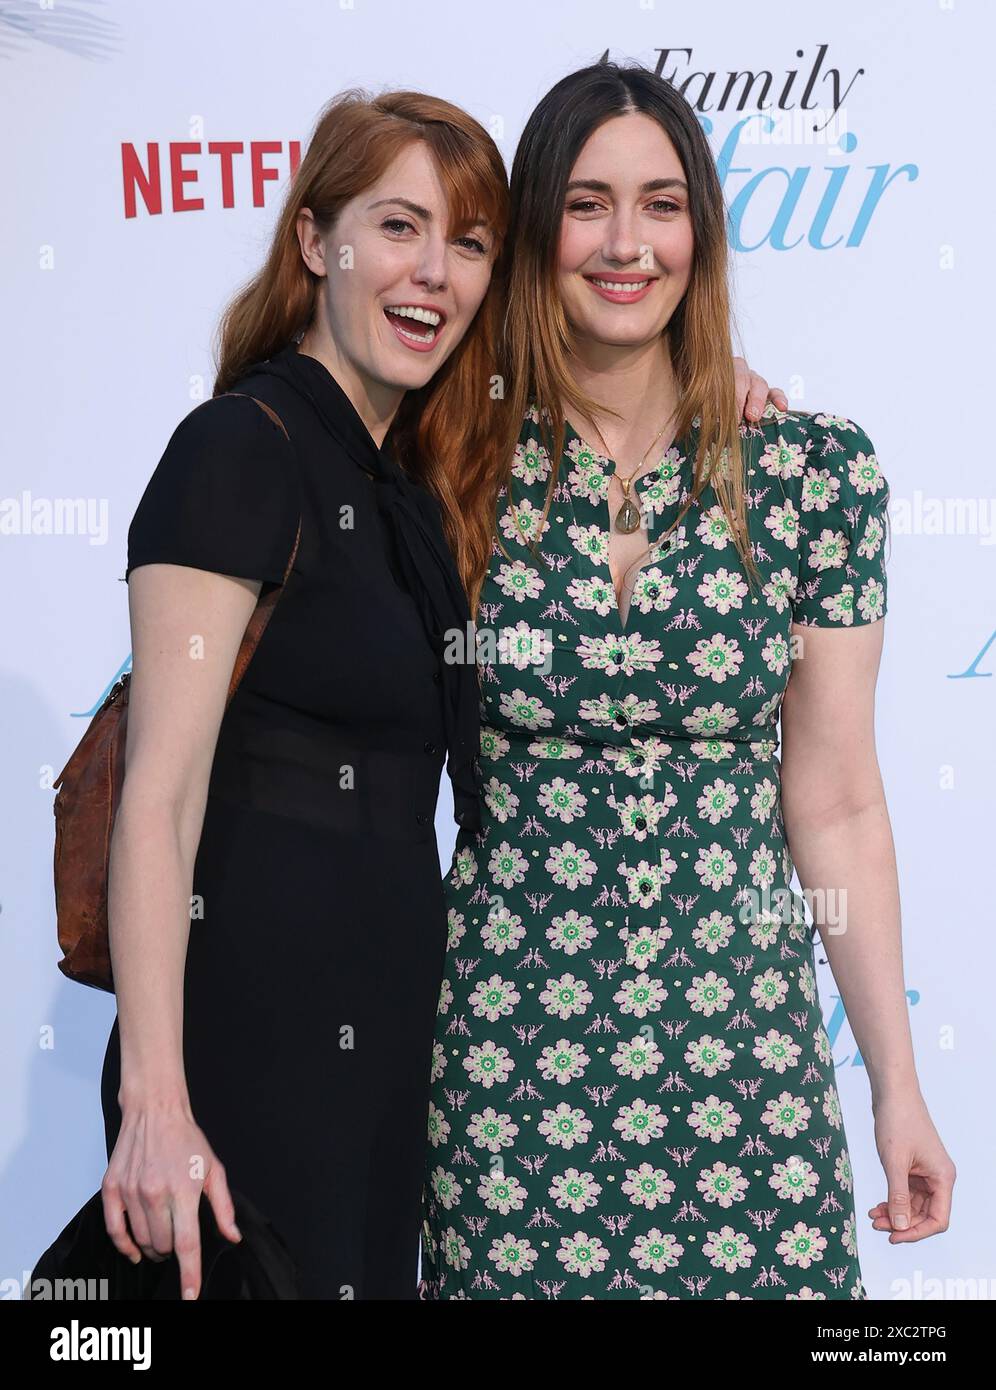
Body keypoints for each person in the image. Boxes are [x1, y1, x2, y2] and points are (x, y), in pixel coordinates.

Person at [420, 61, 955, 1299]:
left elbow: (836, 804)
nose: (626, 244)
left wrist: (898, 1086)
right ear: (534, 225)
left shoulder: (811, 475)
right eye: (589, 204)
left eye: (662, 205)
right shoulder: (449, 458)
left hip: (747, 1066)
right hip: (510, 1066)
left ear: (702, 233)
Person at [99, 88, 508, 1301]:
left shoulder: (412, 487)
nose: (434, 271)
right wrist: (155, 1102)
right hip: (245, 1037)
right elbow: (158, 801)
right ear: (313, 241)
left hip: (384, 1040)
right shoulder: (244, 447)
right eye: (397, 227)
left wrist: (732, 392)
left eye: (471, 242)